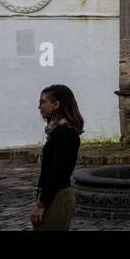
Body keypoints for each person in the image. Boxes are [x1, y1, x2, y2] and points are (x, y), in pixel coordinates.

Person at [32, 84, 83, 230]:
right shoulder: (59, 132)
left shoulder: (64, 133)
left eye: (42, 102)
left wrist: (42, 204)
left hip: (57, 196)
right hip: (55, 195)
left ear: (56, 105)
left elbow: (57, 172)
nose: (39, 107)